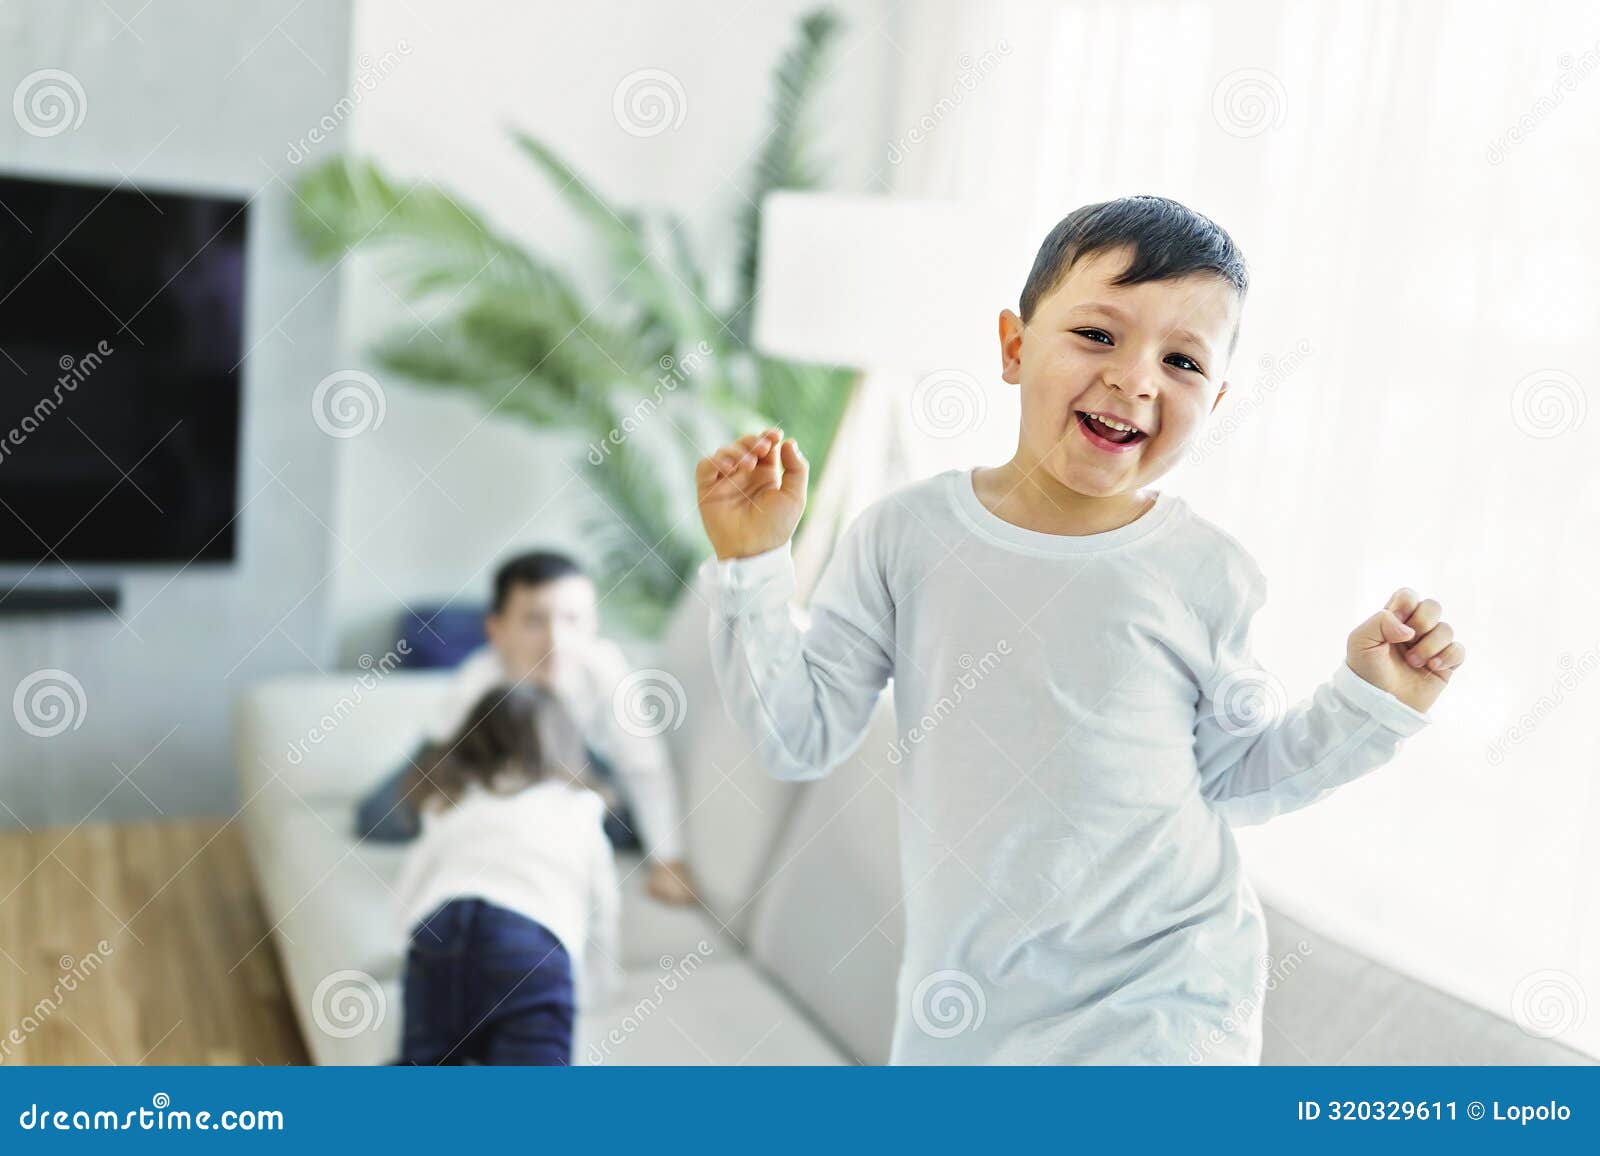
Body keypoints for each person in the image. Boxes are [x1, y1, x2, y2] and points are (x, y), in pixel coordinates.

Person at [695, 195, 1466, 1064]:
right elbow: (798, 738)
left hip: (1167, 1008)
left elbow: (1234, 781)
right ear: (1014, 347)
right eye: (1098, 335)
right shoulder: (902, 537)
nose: (1135, 379)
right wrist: (753, 565)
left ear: (1215, 399)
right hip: (965, 1019)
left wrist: (1368, 708)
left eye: (1181, 361)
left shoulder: (1207, 572)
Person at [355, 550, 697, 905]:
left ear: (593, 624)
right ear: (496, 630)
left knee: (622, 818)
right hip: (492, 775)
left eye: (572, 619)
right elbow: (442, 756)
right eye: (534, 621)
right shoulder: (480, 677)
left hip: (578, 774)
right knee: (377, 817)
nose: (555, 640)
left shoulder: (606, 670)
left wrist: (668, 860)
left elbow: (645, 769)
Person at [394, 685, 618, 1065]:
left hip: (440, 932)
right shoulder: (579, 807)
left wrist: (407, 947)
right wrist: (597, 986)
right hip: (530, 942)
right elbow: (604, 908)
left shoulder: (451, 799)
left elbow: (410, 887)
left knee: (425, 1059)